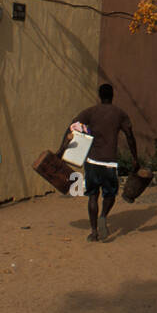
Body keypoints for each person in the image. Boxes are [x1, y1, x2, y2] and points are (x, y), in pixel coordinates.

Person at [58, 83, 140, 242]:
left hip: (92, 161)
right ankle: (103, 216)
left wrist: (61, 150)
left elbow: (72, 128)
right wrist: (135, 158)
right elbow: (130, 136)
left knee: (93, 196)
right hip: (109, 163)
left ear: (99, 95)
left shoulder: (91, 112)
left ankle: (94, 232)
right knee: (110, 195)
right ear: (112, 96)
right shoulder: (120, 114)